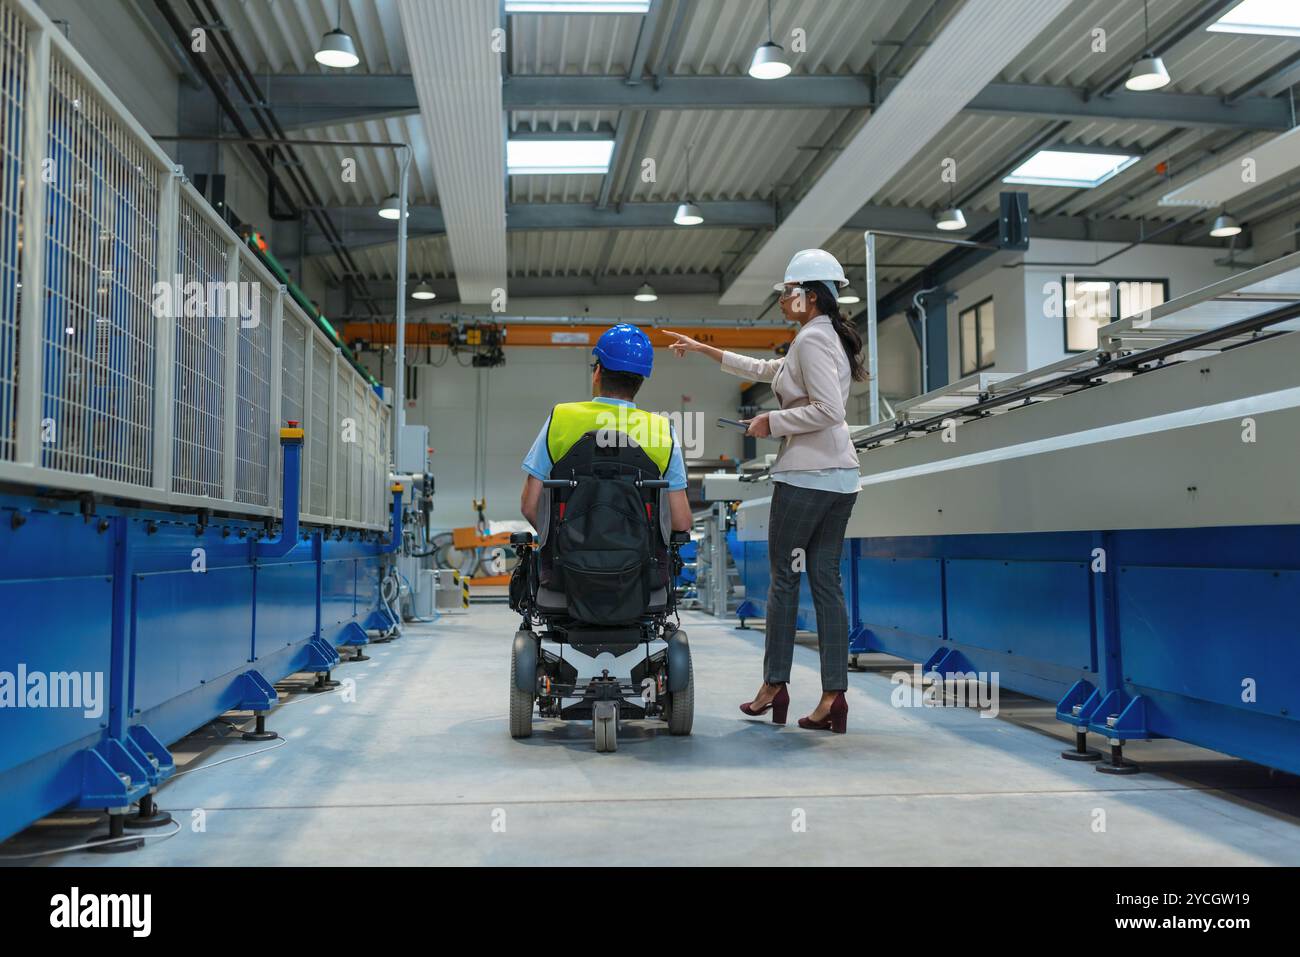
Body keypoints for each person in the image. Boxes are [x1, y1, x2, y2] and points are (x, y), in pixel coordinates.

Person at [666, 249, 866, 734]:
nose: (782, 299)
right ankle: (832, 697)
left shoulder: (814, 340)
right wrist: (703, 348)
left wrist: (769, 422)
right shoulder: (820, 338)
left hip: (807, 478)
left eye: (788, 292)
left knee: (784, 581)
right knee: (826, 583)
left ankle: (774, 686)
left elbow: (829, 411)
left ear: (810, 295)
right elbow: (767, 371)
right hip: (839, 479)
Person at [520, 323, 692, 534]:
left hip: (566, 562)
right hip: (642, 565)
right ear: (640, 381)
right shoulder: (662, 430)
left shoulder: (561, 418)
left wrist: (559, 542)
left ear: (597, 372)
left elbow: (530, 506)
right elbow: (681, 522)